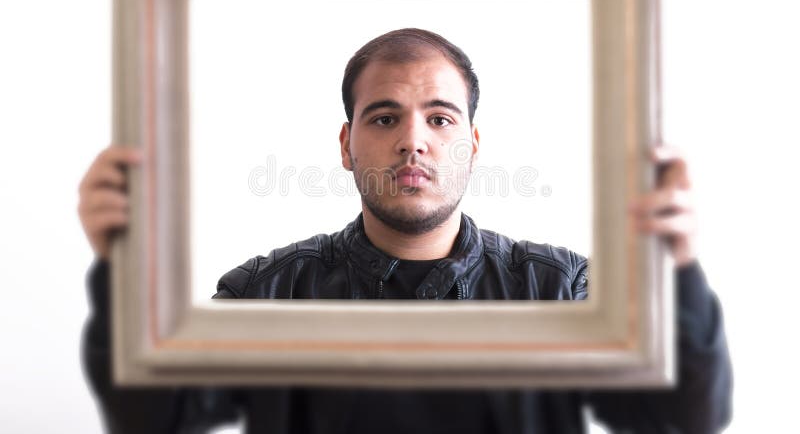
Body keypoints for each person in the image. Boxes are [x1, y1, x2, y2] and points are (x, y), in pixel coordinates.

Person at [80, 28, 732, 433]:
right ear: (346, 143)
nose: (413, 143)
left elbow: (684, 420)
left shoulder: (562, 289)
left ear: (474, 144)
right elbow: (151, 419)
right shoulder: (265, 293)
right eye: (385, 118)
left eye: (441, 119)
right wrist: (121, 268)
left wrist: (678, 273)